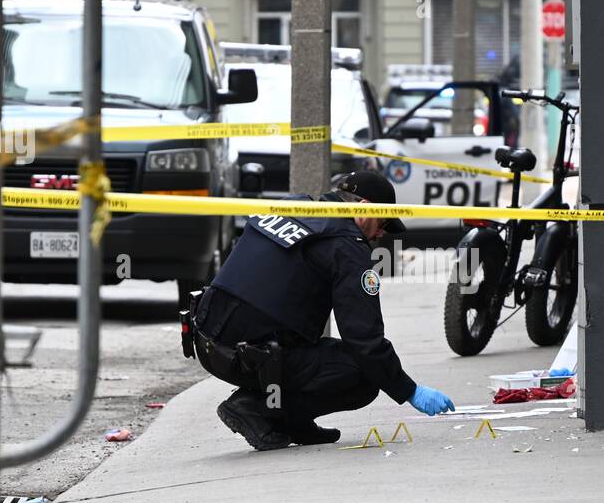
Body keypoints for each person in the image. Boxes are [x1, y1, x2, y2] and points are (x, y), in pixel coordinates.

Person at [189, 170, 455, 450]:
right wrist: (409, 391)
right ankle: (256, 409)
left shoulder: (292, 207)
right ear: (365, 209)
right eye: (383, 222)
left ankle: (294, 423)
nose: (380, 234)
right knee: (363, 375)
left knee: (313, 342)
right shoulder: (346, 247)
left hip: (207, 337)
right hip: (247, 355)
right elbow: (364, 339)